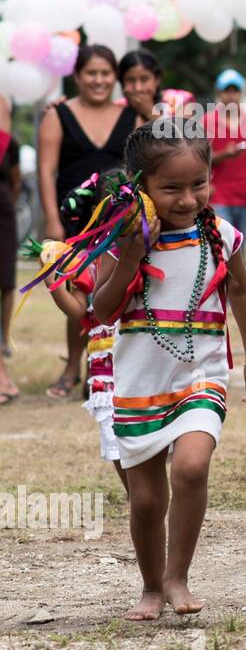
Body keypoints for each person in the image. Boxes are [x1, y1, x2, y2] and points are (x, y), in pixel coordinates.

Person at [93, 121, 246, 620]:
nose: (188, 199)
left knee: (191, 466)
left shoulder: (221, 235)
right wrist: (131, 255)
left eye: (198, 184)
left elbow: (243, 291)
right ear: (139, 185)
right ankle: (151, 586)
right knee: (146, 501)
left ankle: (177, 576)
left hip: (200, 377)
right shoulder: (121, 239)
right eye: (171, 188)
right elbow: (103, 310)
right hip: (139, 384)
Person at [37, 44, 138, 400]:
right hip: (74, 220)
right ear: (77, 76)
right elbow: (46, 171)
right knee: (78, 289)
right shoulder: (58, 114)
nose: (99, 80)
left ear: (115, 78)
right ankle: (72, 367)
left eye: (105, 73)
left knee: (119, 291)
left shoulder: (131, 116)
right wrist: (52, 219)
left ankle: (109, 366)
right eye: (91, 73)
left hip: (120, 223)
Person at [39, 172, 127, 491]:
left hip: (142, 354)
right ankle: (136, 495)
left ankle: (148, 494)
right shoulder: (88, 260)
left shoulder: (150, 249)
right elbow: (79, 311)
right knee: (114, 434)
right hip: (106, 363)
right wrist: (53, 283)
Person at [202, 68, 246, 244]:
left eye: (235, 90)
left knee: (241, 244)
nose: (231, 95)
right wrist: (225, 155)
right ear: (219, 93)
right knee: (222, 242)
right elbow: (201, 158)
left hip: (245, 193)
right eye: (227, 90)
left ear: (241, 93)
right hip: (218, 193)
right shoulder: (208, 121)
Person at [0, 95, 16, 367]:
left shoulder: (8, 142)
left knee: (6, 279)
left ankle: (4, 336)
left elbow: (16, 180)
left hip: (2, 212)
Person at [118, 49, 165, 122]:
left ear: (157, 79)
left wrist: (149, 112)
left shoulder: (178, 102)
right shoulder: (117, 110)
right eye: (131, 80)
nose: (138, 88)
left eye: (144, 79)